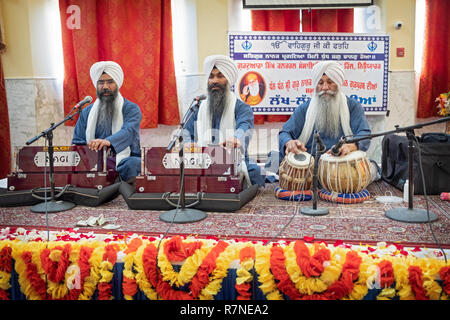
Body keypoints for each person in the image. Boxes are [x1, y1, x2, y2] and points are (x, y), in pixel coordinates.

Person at [274, 60, 379, 182]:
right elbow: (285, 133)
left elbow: (364, 134)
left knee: (371, 169)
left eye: (330, 82)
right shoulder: (304, 109)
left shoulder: (353, 107)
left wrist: (351, 146)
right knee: (276, 159)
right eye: (320, 83)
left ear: (338, 84)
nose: (325, 88)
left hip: (342, 165)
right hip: (310, 166)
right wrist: (289, 142)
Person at [184, 55, 265, 187]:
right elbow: (186, 132)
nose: (215, 81)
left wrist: (235, 139)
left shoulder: (241, 107)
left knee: (255, 172)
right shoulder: (198, 107)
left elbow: (244, 128)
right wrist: (188, 144)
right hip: (201, 159)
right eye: (211, 76)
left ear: (228, 80)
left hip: (233, 160)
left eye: (220, 76)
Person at [72, 61, 142, 183]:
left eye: (110, 82)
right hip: (95, 161)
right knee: (74, 162)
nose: (105, 86)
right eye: (101, 82)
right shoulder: (87, 112)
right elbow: (78, 142)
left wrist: (108, 141)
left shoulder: (131, 108)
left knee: (135, 164)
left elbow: (129, 132)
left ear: (117, 84)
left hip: (124, 159)